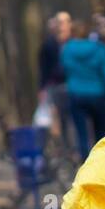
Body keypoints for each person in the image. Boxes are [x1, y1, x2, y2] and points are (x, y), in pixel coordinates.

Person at [59, 19, 105, 160]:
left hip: (76, 94)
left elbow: (64, 71)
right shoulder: (99, 49)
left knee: (81, 134)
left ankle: (84, 165)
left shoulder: (67, 49)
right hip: (98, 95)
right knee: (101, 133)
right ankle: (101, 165)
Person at [38, 12, 72, 146]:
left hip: (74, 86)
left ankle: (79, 151)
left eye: (65, 22)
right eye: (59, 22)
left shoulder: (75, 43)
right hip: (55, 87)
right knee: (58, 121)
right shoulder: (48, 45)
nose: (62, 26)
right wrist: (42, 89)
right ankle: (64, 150)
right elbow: (43, 69)